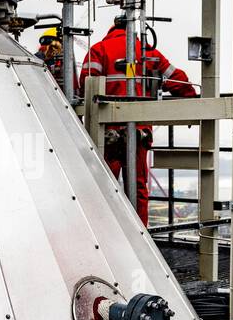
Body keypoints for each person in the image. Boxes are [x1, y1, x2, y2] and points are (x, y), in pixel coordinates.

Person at [81, 16, 195, 224]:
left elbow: (84, 87)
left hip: (106, 131)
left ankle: (103, 232)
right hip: (139, 130)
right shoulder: (146, 52)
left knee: (104, 186)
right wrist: (190, 98)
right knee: (138, 187)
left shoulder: (98, 49)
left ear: (112, 29)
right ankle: (140, 236)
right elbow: (176, 78)